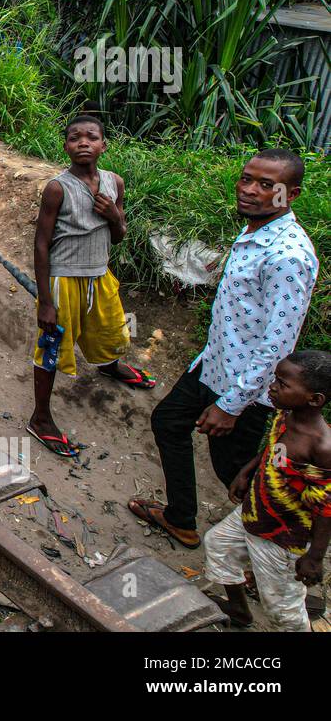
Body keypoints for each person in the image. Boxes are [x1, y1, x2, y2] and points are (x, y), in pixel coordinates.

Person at [129, 149, 319, 547]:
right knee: (168, 422)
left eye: (266, 185)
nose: (249, 190)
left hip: (245, 387)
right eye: (246, 179)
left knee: (236, 473)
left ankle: (283, 550)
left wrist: (231, 405)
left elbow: (278, 343)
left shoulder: (288, 256)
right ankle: (181, 518)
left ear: (291, 194)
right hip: (214, 364)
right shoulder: (255, 231)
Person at [30, 115, 155, 458]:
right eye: (74, 138)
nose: (83, 142)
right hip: (63, 280)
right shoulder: (58, 188)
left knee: (109, 331)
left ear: (104, 145)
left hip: (99, 275)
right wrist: (46, 301)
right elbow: (41, 244)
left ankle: (109, 366)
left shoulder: (115, 183)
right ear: (66, 146)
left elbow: (119, 235)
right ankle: (40, 418)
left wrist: (113, 216)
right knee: (52, 347)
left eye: (91, 137)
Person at [203, 350, 331, 631]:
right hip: (256, 512)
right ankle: (239, 610)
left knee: (283, 611)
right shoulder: (286, 415)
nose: (272, 387)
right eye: (275, 379)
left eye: (282, 384)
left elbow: (326, 508)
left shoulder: (322, 448)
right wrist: (247, 471)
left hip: (282, 538)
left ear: (314, 399)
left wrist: (314, 558)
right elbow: (275, 448)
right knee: (218, 546)